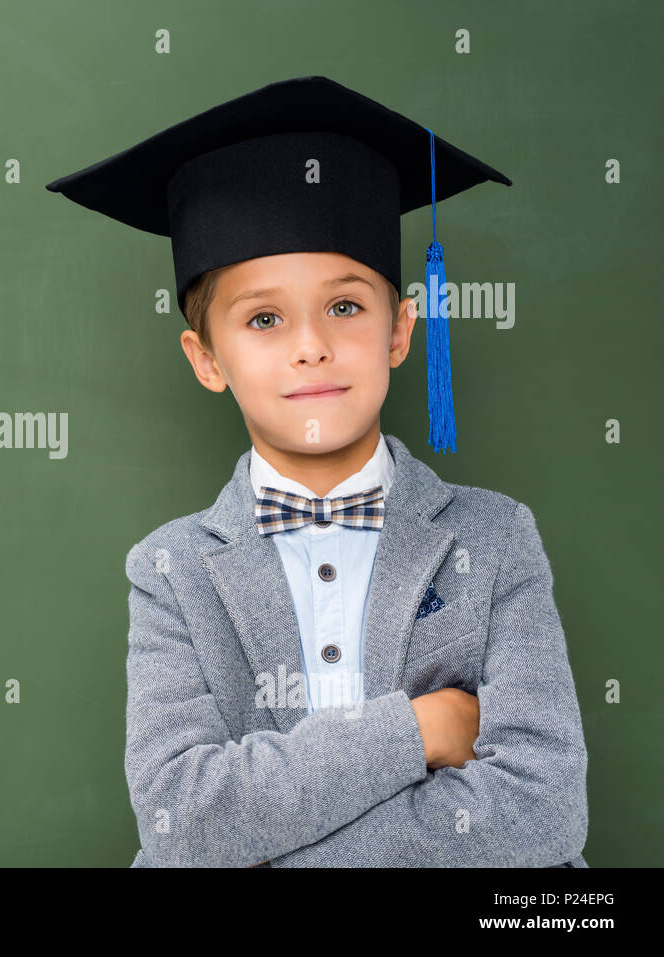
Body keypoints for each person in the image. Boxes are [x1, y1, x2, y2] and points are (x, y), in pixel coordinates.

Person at [45, 75, 589, 867]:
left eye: (345, 306)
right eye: (264, 319)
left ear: (402, 330)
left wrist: (259, 843)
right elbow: (181, 821)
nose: (311, 346)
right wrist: (420, 729)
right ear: (206, 359)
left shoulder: (495, 538)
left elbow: (541, 814)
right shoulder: (171, 572)